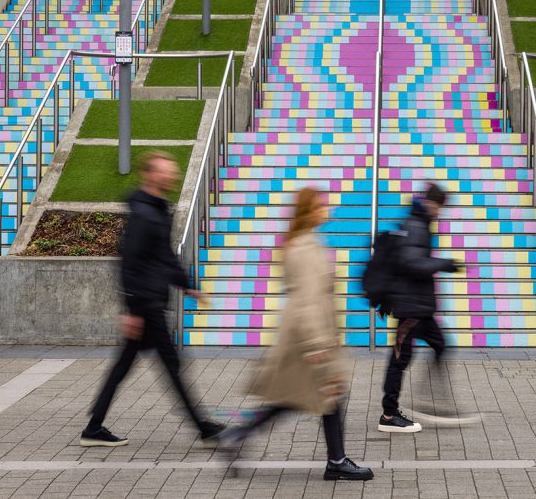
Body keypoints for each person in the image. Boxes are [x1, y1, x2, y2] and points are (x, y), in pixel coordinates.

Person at [221, 187, 373, 481]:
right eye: (320, 205)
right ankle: (337, 461)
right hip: (309, 336)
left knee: (297, 398)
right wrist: (316, 343)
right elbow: (307, 299)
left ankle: (238, 436)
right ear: (309, 211)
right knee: (327, 394)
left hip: (307, 334)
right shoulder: (304, 248)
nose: (326, 209)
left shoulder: (307, 243)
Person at [80, 151, 224, 447]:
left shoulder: (157, 210)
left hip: (149, 301)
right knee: (170, 365)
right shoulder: (145, 214)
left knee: (125, 366)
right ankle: (203, 426)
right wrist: (131, 309)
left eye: (172, 170)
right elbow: (129, 262)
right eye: (165, 171)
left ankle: (94, 427)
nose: (172, 175)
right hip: (146, 306)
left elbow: (164, 256)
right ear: (150, 175)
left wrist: (188, 286)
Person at [379, 183, 459, 434]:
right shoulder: (415, 225)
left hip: (420, 307)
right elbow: (410, 262)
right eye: (439, 206)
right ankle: (389, 415)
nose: (439, 212)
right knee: (400, 358)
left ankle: (429, 399)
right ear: (430, 203)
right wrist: (443, 263)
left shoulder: (420, 224)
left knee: (440, 345)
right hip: (410, 307)